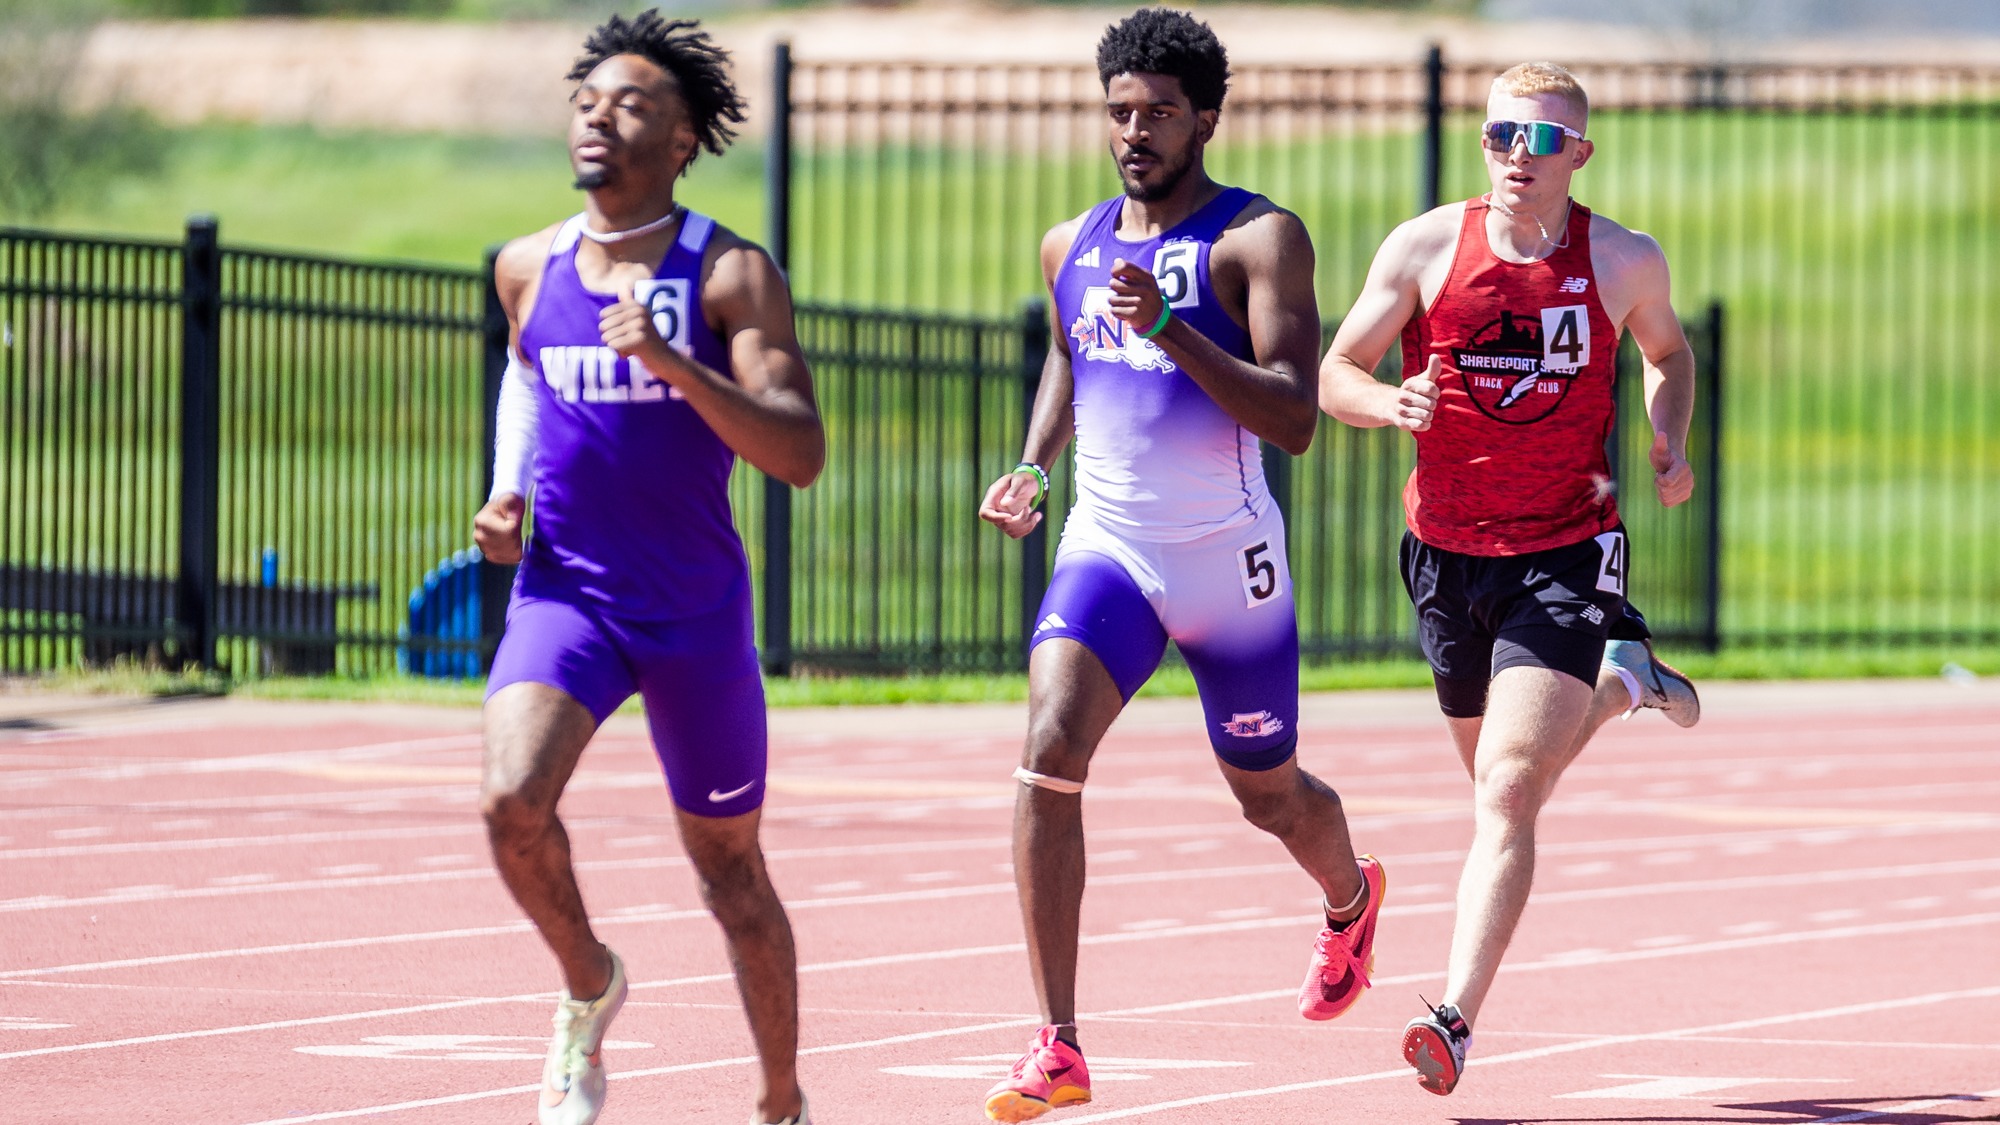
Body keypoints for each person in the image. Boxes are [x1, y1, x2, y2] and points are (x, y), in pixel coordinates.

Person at [976, 9, 1383, 1121]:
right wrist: (1031, 465)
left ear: (1205, 116)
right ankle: (1056, 1042)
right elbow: (1069, 352)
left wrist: (1172, 331)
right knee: (1047, 751)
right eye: (1118, 112)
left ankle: (1347, 898)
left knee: (1269, 799)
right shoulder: (1071, 243)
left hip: (1225, 564)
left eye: (1158, 112)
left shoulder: (1258, 241)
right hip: (1105, 546)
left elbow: (1294, 418)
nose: (1134, 131)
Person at [1318, 61, 1702, 1097]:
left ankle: (1449, 1019)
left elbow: (1666, 354)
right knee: (1496, 781)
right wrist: (1380, 404)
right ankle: (1627, 681)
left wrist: (1666, 439)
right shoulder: (1424, 246)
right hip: (1445, 554)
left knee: (1508, 786)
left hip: (1565, 547)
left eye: (1538, 141)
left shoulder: (1617, 259)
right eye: (1498, 136)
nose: (1514, 158)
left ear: (1577, 154)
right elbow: (1332, 371)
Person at [469, 12, 823, 1125]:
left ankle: (780, 1103)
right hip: (566, 594)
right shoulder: (525, 266)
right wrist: (506, 490)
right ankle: (587, 981)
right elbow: (528, 378)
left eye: (630, 105)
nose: (599, 118)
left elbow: (798, 453)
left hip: (693, 615)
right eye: (586, 102)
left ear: (680, 140)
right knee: (508, 800)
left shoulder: (728, 275)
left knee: (730, 879)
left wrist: (674, 366)